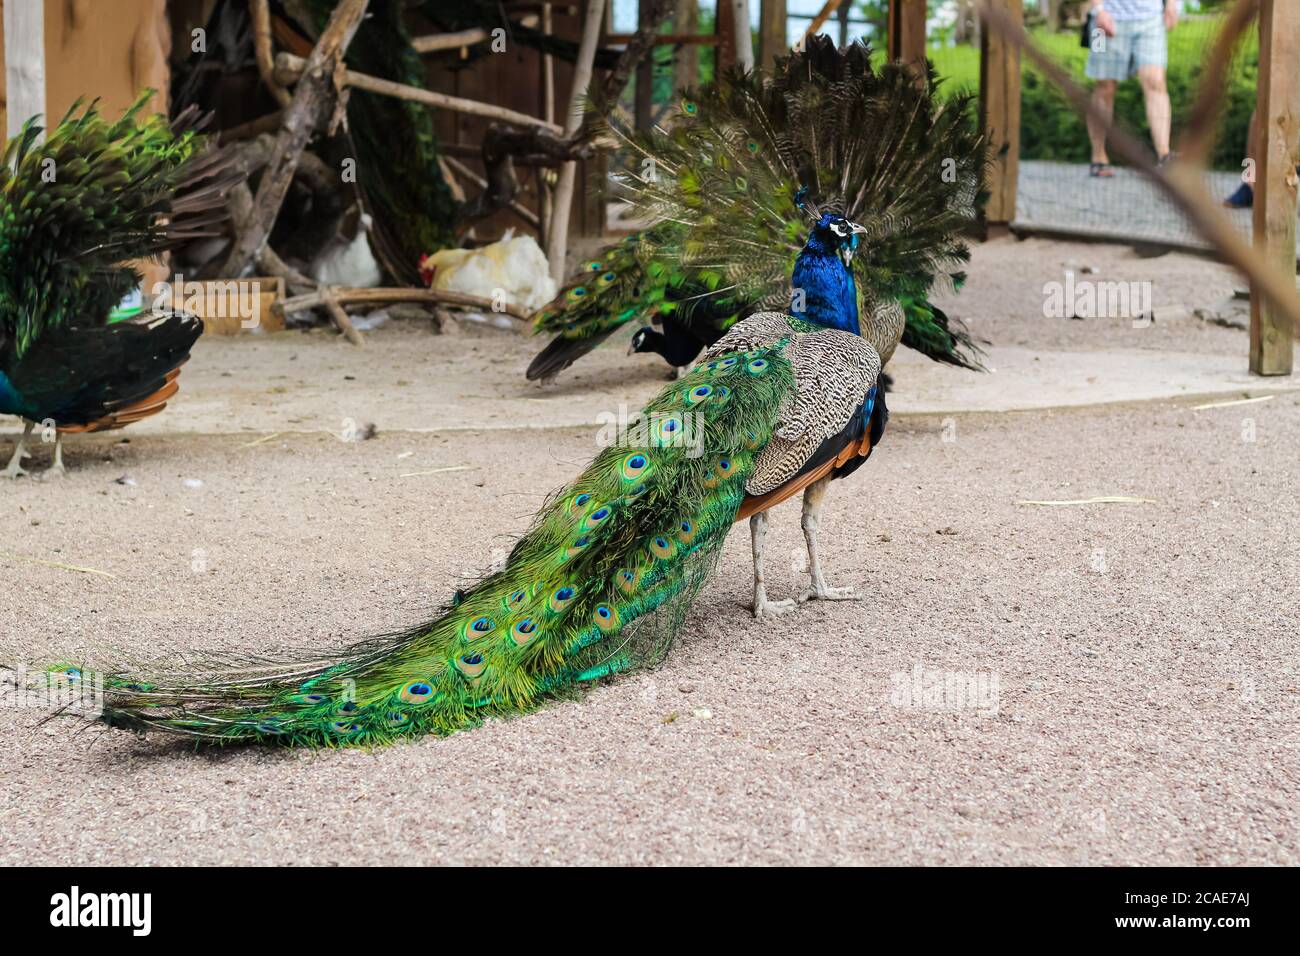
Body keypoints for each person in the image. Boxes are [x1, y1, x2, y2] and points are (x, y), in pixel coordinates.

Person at [1084, 0, 1179, 178]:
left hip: (1151, 20)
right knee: (1103, 86)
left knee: (1156, 81)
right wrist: (1099, 10)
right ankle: (1098, 157)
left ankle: (1164, 155)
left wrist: (1172, 5)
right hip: (1103, 21)